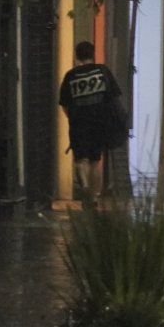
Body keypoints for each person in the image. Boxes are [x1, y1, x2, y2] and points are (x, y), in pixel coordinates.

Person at [59, 41, 124, 205]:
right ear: (92, 54)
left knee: (81, 160)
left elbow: (64, 104)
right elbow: (114, 97)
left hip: (79, 124)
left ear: (77, 55)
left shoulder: (70, 76)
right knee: (95, 160)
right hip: (100, 123)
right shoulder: (103, 72)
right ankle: (94, 195)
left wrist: (72, 118)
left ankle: (85, 187)